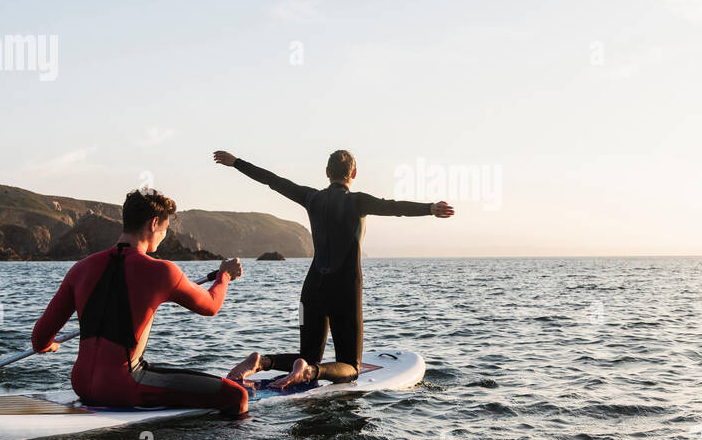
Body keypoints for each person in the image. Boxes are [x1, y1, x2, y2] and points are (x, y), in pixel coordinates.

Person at [213, 148, 453, 389]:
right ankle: (307, 373)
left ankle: (262, 362)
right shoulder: (358, 201)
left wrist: (236, 163)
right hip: (344, 289)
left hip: (311, 290)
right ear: (354, 173)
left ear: (327, 173)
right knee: (350, 367)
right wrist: (430, 208)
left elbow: (273, 181)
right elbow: (394, 207)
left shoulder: (311, 197)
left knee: (307, 354)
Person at [31, 188, 254, 413]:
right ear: (154, 223)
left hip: (81, 384)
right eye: (165, 229)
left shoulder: (80, 268)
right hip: (125, 386)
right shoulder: (163, 271)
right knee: (237, 396)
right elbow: (211, 306)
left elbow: (39, 339)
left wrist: (50, 346)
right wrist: (224, 276)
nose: (164, 236)